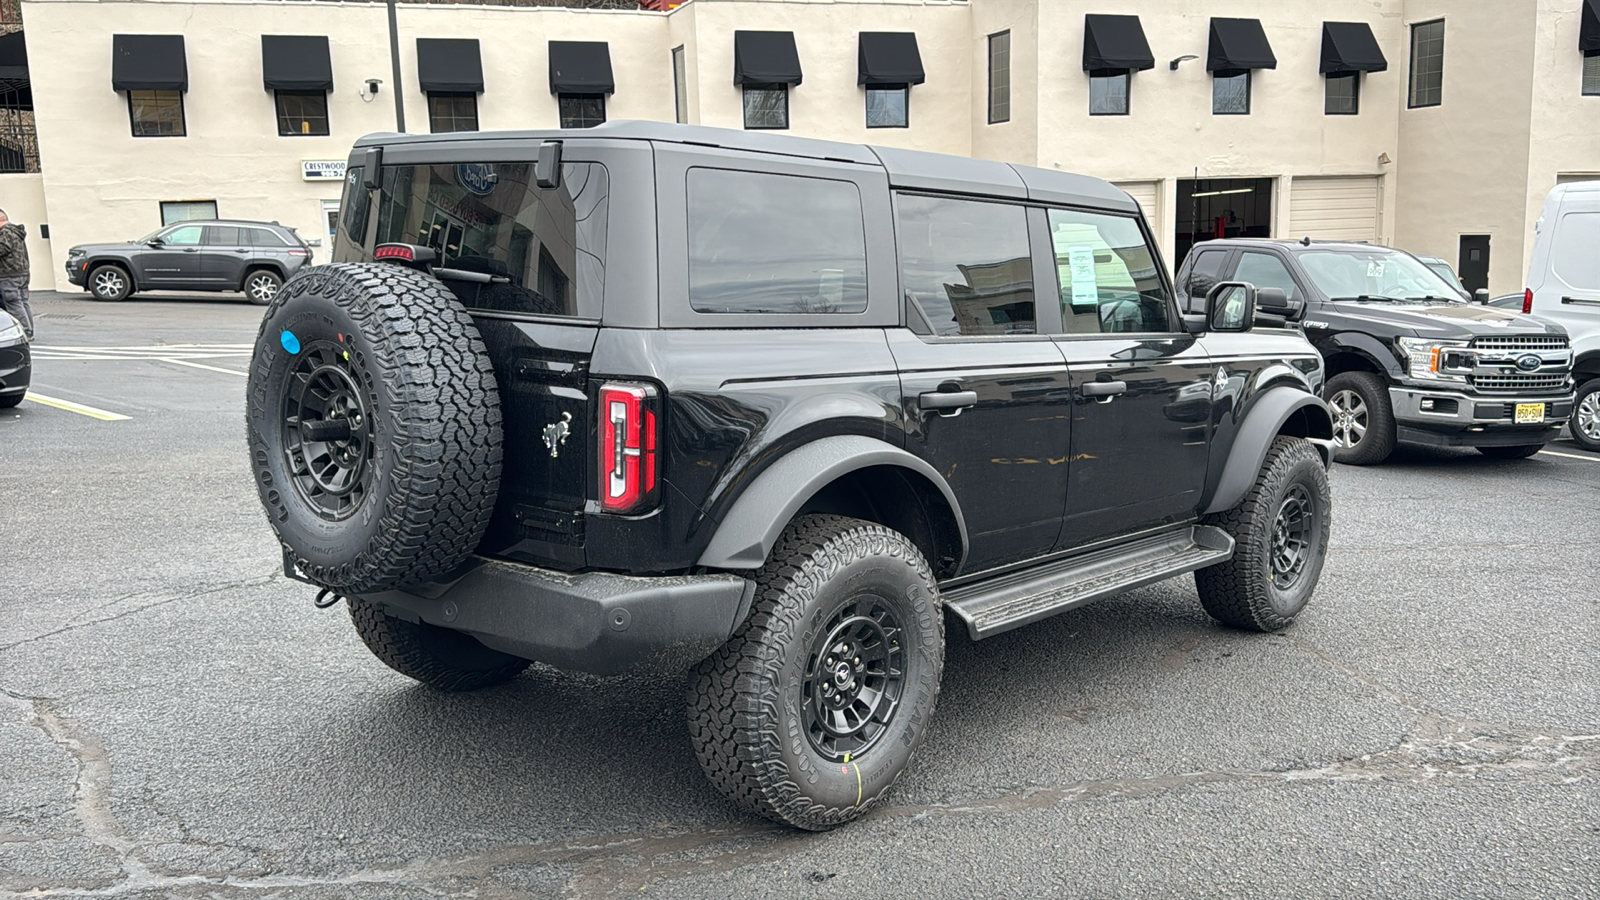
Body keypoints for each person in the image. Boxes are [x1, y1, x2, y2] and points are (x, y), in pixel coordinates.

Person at [0, 208, 32, 339]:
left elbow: (2, 249)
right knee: (23, 302)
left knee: (13, 303)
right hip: (22, 273)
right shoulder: (16, 232)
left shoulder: (5, 233)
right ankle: (29, 330)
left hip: (9, 274)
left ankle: (24, 331)